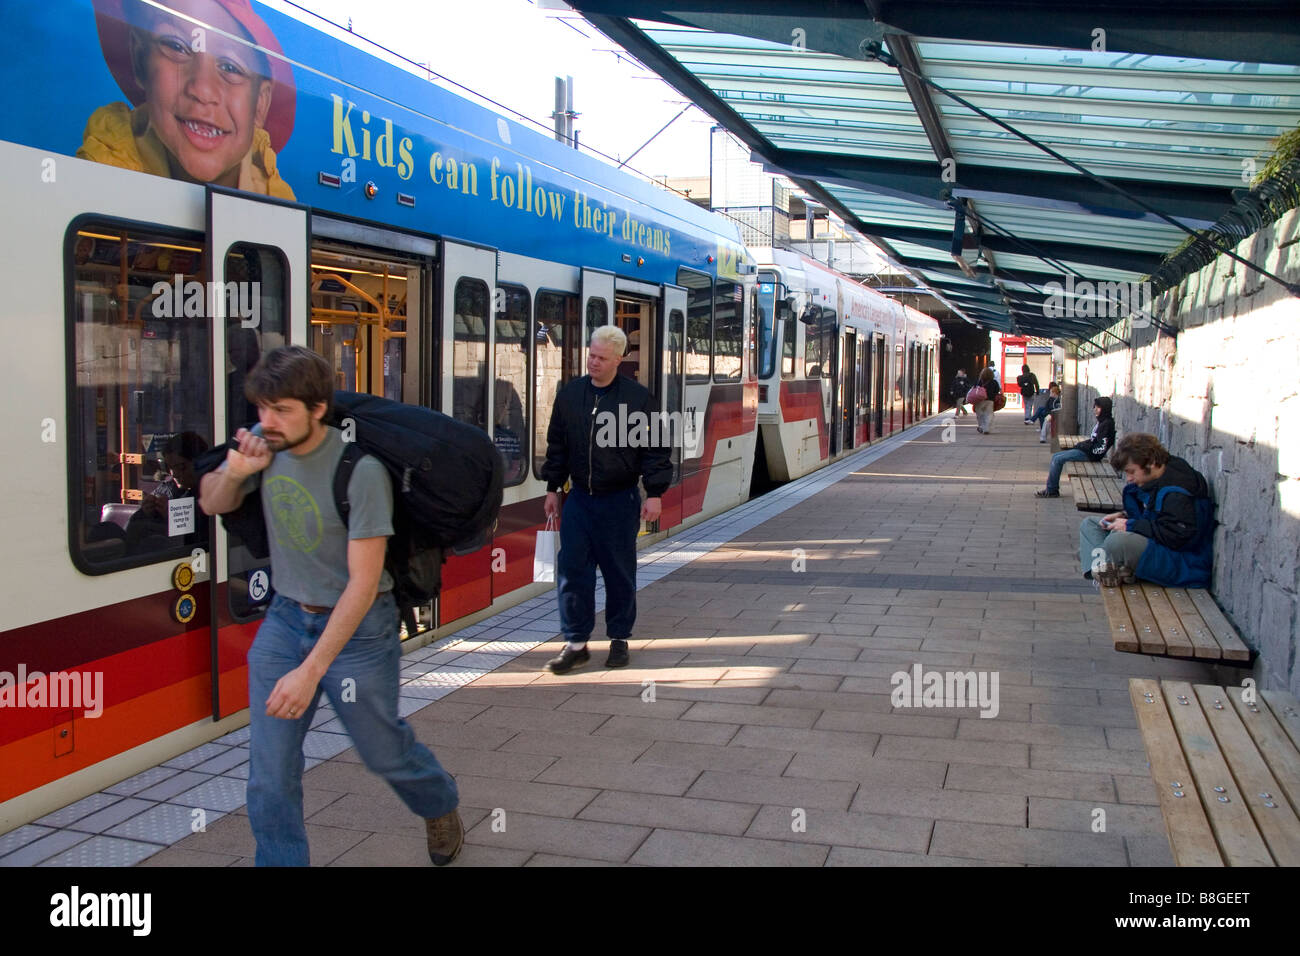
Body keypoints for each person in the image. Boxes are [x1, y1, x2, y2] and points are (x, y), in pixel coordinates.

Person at [198, 346, 461, 866]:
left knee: (383, 752)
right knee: (269, 776)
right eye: (262, 409)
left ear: (318, 409)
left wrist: (310, 670)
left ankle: (438, 801)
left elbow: (362, 586)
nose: (267, 423)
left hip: (360, 631)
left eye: (283, 410)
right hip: (285, 619)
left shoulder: (359, 472)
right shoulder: (266, 450)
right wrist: (235, 470)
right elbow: (211, 502)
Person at [541, 326, 672, 673]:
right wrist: (552, 488)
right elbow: (558, 445)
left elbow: (656, 448)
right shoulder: (570, 396)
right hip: (579, 500)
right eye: (591, 355)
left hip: (619, 500)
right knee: (571, 572)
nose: (593, 362)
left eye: (601, 357)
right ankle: (576, 642)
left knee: (618, 572)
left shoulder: (638, 399)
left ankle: (618, 638)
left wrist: (655, 493)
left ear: (618, 359)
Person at [80, 0, 296, 198]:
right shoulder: (100, 170)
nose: (202, 90)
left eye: (230, 67)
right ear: (139, 59)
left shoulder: (276, 196)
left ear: (260, 104)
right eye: (176, 47)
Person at [1078, 433, 1214, 586]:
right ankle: (1110, 571)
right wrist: (1125, 515)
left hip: (1184, 564)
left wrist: (1130, 525)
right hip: (1159, 546)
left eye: (1131, 471)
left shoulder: (1177, 493)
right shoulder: (1160, 477)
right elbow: (1156, 516)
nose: (1128, 478)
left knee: (1116, 541)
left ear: (1151, 463)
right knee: (1090, 524)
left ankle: (1103, 570)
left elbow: (1177, 537)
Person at [1036, 396, 1116, 498]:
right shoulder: (1102, 421)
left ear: (1104, 408)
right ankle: (1052, 488)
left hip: (1090, 455)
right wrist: (1082, 445)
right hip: (1087, 450)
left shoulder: (1107, 424)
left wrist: (1087, 449)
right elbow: (1094, 440)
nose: (1095, 409)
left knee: (1057, 459)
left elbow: (1101, 447)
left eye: (1098, 407)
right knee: (1056, 456)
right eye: (1095, 407)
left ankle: (1052, 490)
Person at [973, 366, 999, 434]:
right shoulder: (994, 382)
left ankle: (981, 426)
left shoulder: (978, 381)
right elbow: (997, 390)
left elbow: (974, 389)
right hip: (990, 400)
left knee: (980, 415)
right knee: (989, 414)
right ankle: (986, 428)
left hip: (979, 400)